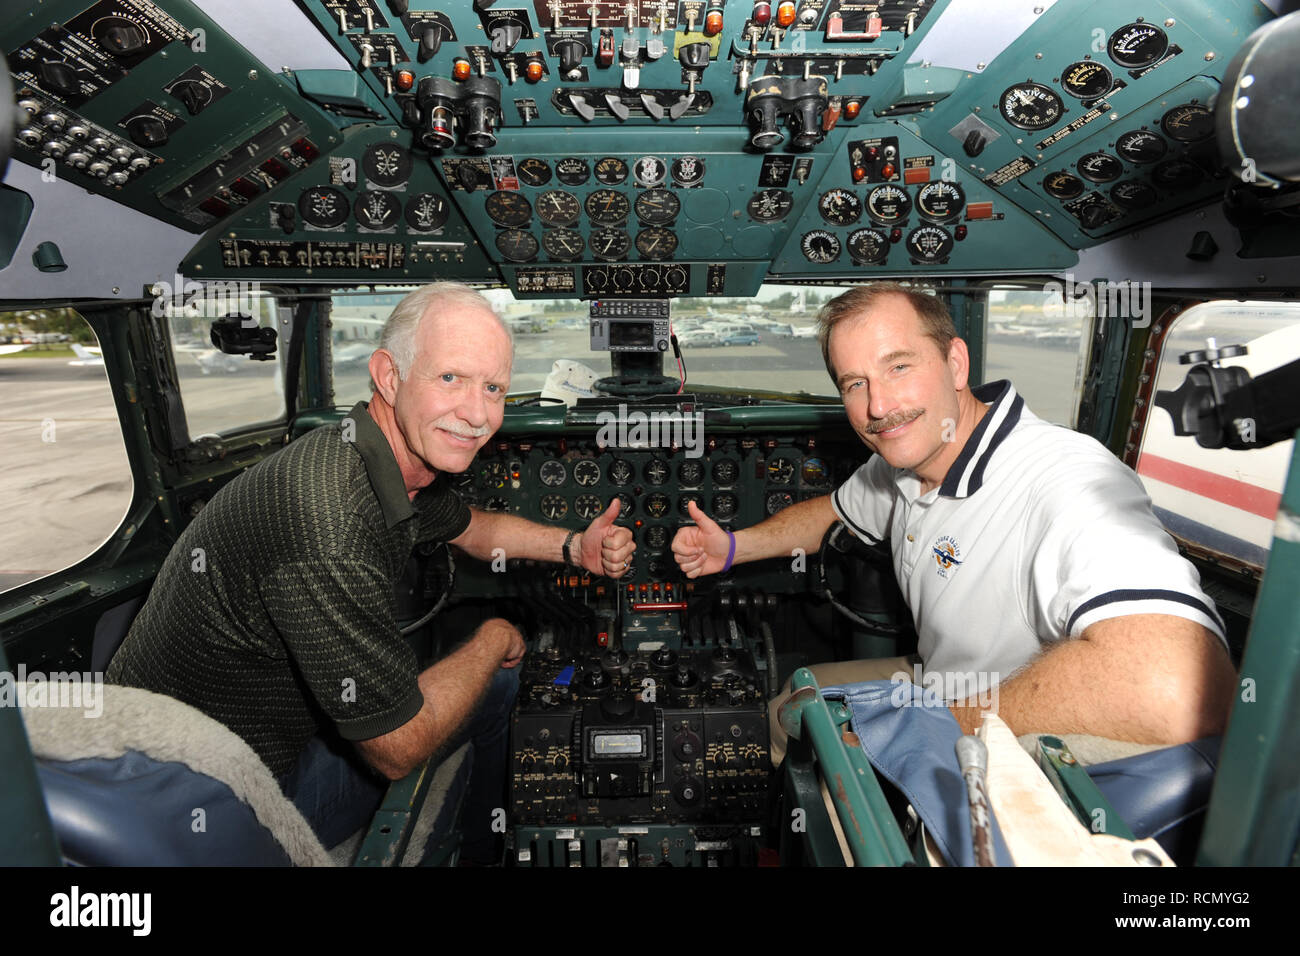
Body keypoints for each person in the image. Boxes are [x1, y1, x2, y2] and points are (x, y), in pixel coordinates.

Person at [107, 282, 636, 860]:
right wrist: (493, 639)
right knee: (496, 680)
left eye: (494, 388)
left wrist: (574, 548)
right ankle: (488, 850)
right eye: (450, 379)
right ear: (388, 375)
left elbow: (477, 531)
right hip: (193, 803)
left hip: (205, 748)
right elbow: (398, 747)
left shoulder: (372, 449)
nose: (478, 415)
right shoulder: (327, 517)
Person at [672, 282, 1236, 761]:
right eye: (854, 384)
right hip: (934, 679)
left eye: (898, 366)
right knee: (792, 706)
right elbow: (833, 512)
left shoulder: (1066, 478)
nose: (878, 406)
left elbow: (1176, 689)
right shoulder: (904, 460)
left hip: (1013, 731)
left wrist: (931, 726)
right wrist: (731, 549)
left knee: (812, 732)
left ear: (956, 363)